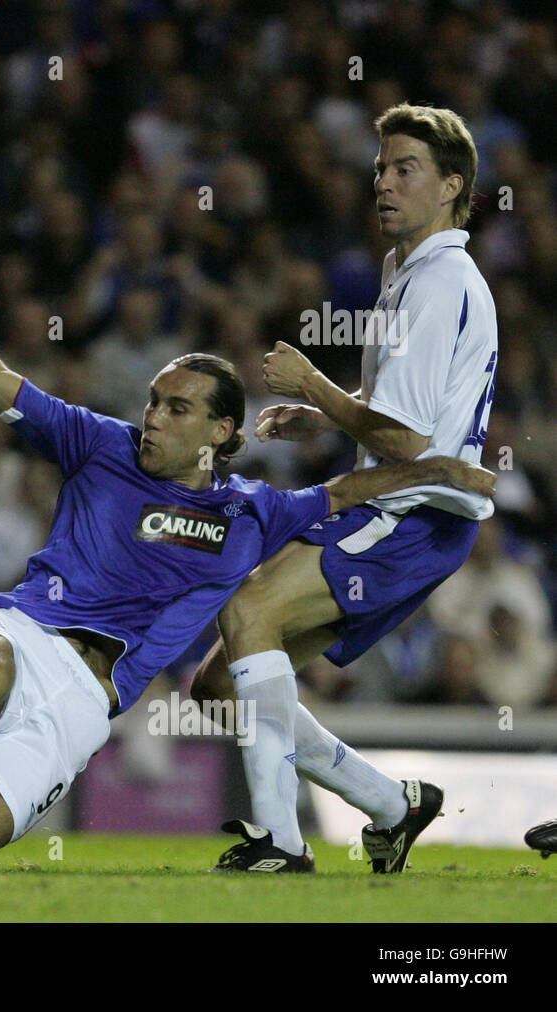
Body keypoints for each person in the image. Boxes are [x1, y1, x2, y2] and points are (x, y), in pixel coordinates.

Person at [0, 184, 494, 871]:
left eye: (177, 408)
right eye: (153, 401)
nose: (153, 416)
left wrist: (439, 472)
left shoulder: (252, 510)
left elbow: (348, 487)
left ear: (219, 430)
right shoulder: (97, 442)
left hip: (85, 706)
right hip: (23, 634)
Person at [190, 103, 498, 873]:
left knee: (248, 608)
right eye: (380, 170)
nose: (384, 184)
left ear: (452, 185)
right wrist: (321, 417)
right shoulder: (406, 272)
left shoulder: (441, 280)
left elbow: (407, 442)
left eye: (406, 171)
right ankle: (395, 807)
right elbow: (390, 413)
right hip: (390, 498)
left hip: (412, 509)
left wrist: (314, 384)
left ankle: (280, 844)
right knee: (221, 679)